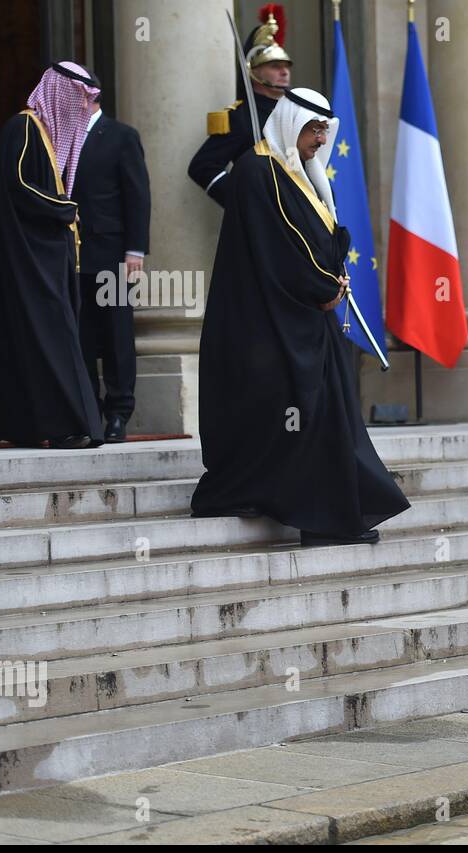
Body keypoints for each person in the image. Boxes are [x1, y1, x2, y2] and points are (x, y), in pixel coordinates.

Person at [189, 87, 409, 545]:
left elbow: (318, 238)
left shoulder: (299, 174)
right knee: (300, 414)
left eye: (324, 132)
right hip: (270, 320)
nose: (318, 141)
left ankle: (330, 513)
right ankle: (322, 519)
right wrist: (324, 286)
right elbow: (279, 247)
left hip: (303, 316)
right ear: (292, 125)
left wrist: (331, 278)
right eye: (312, 130)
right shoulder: (258, 169)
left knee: (319, 415)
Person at [0, 62, 103, 449]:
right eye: (80, 97)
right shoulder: (23, 128)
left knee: (52, 337)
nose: (84, 107)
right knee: (51, 338)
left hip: (47, 256)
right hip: (28, 260)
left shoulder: (45, 135)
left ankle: (42, 426)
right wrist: (64, 210)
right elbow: (15, 185)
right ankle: (67, 425)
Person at [76, 92, 151, 443]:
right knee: (82, 334)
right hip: (73, 255)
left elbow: (137, 195)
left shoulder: (121, 135)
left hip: (112, 254)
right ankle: (88, 408)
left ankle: (118, 412)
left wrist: (135, 250)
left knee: (117, 334)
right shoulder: (60, 138)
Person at [188, 4, 291, 208]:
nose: (284, 72)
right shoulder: (241, 117)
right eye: (275, 66)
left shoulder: (295, 111)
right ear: (254, 72)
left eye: (286, 66)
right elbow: (203, 166)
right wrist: (243, 202)